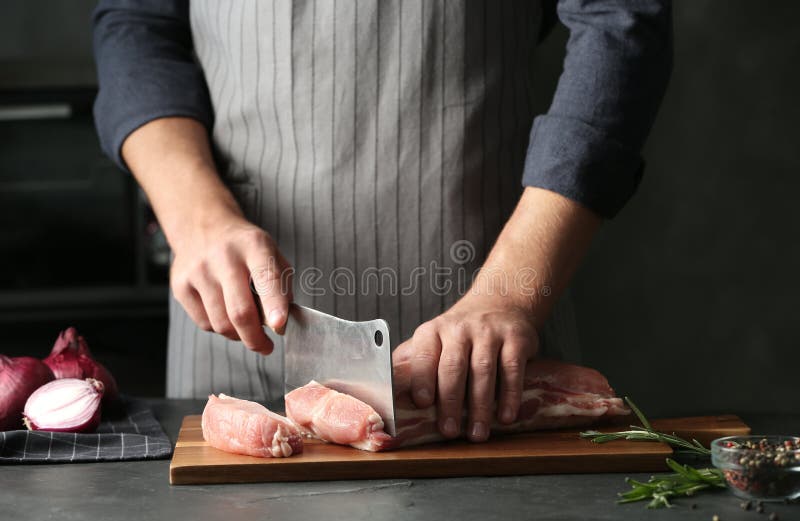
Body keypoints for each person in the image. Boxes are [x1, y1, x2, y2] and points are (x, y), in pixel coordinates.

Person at [93, 0, 671, 443]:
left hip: (493, 303)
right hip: (236, 319)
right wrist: (195, 214)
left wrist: (510, 292)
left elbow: (617, 20)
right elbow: (136, 22)